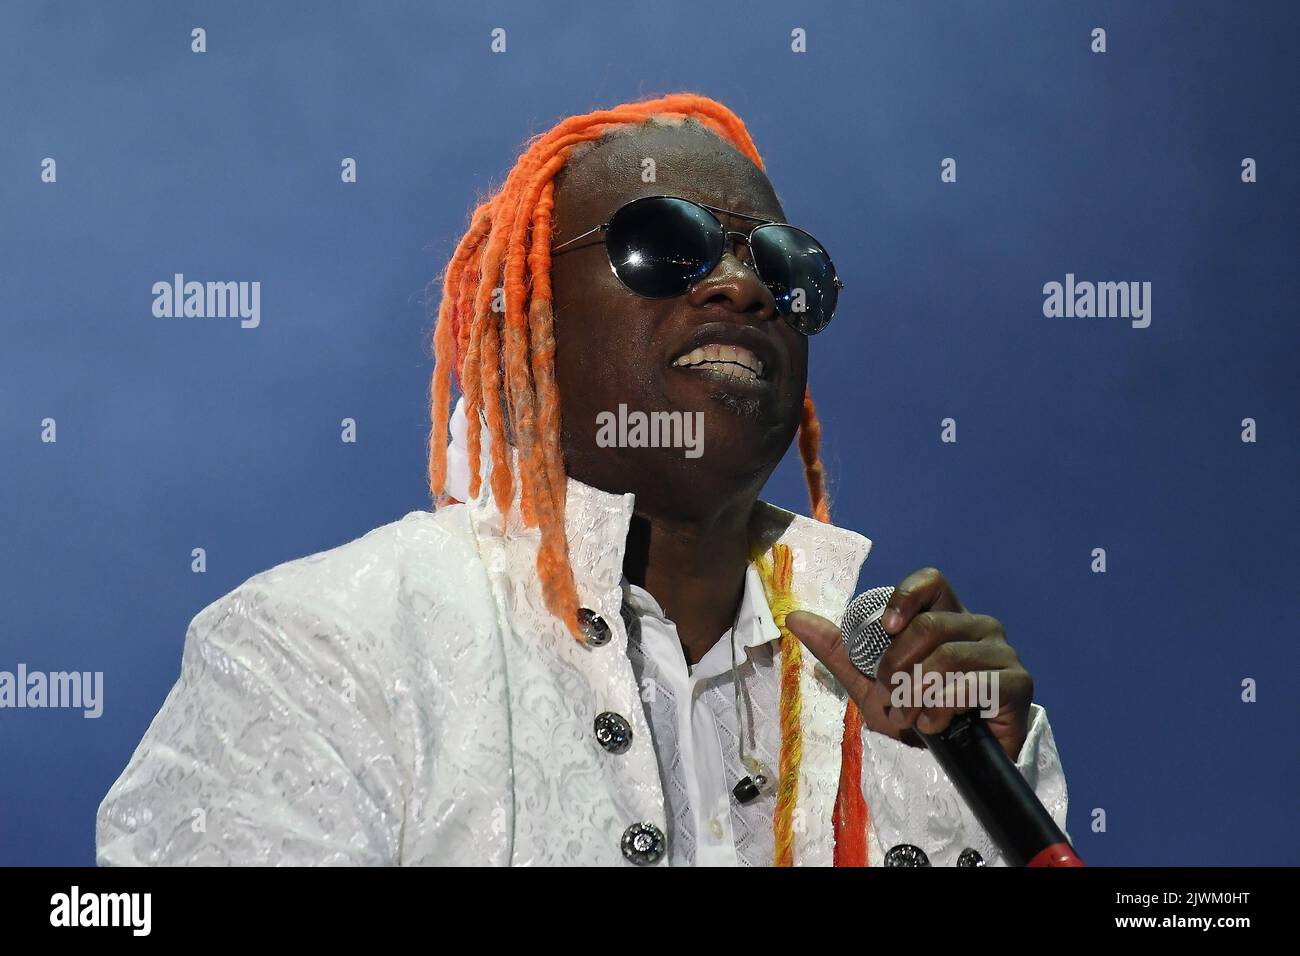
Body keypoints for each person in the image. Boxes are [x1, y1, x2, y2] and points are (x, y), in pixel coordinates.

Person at [96, 92, 1067, 866]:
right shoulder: (320, 648)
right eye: (663, 243)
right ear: (531, 319)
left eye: (780, 262)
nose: (740, 285)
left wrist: (947, 787)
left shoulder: (920, 705)